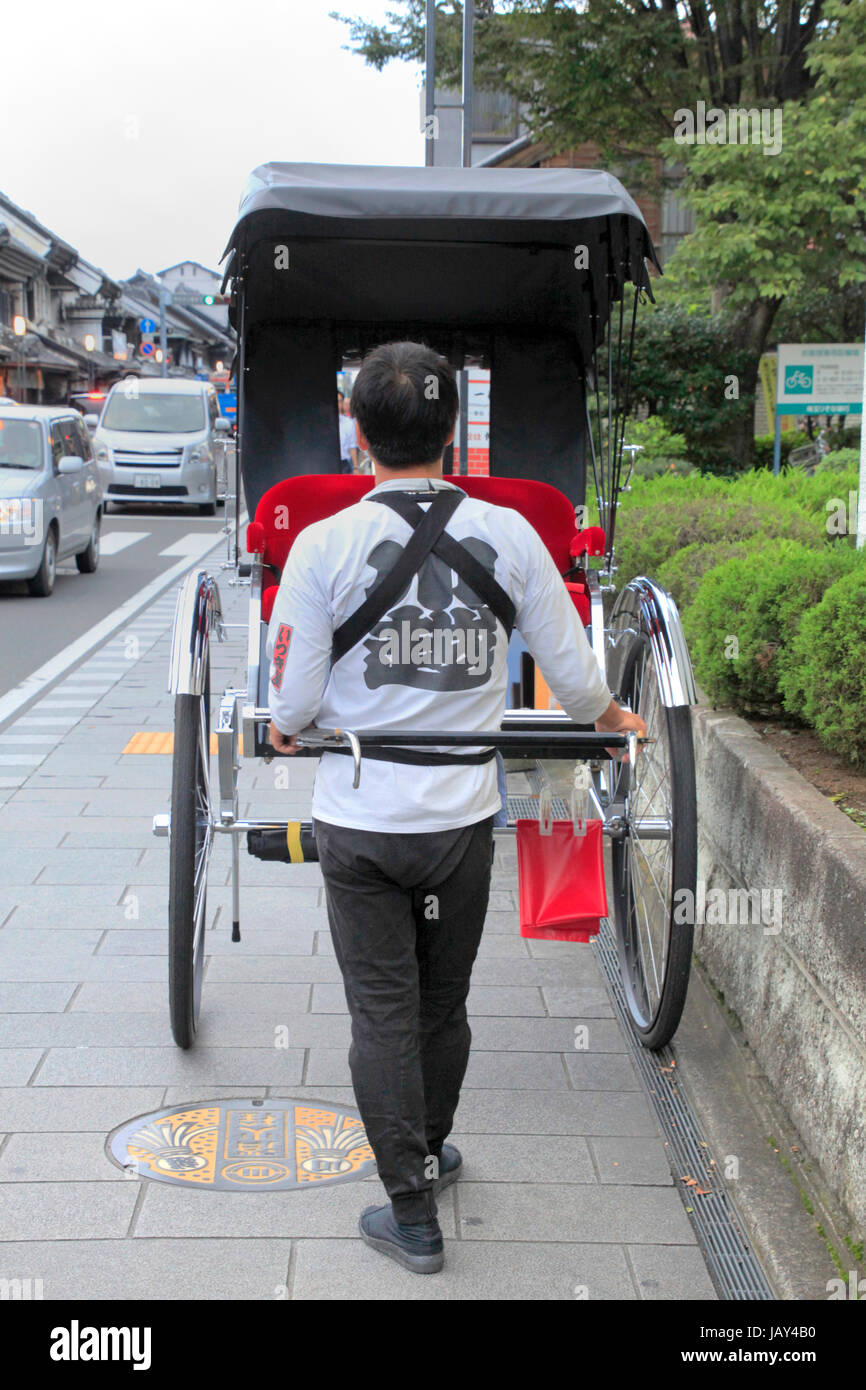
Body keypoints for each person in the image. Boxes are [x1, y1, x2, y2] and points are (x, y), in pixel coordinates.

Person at [267, 341, 645, 1275]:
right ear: (456, 433)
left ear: (359, 434)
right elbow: (570, 677)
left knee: (381, 1015)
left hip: (358, 818)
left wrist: (285, 730)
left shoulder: (322, 546)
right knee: (443, 1004)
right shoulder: (514, 537)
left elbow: (292, 709)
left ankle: (411, 1207)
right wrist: (609, 714)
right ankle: (426, 1152)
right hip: (462, 822)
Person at [337, 391, 358, 473]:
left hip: (344, 464)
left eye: (339, 401)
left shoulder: (348, 423)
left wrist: (356, 467)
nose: (338, 404)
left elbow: (352, 446)